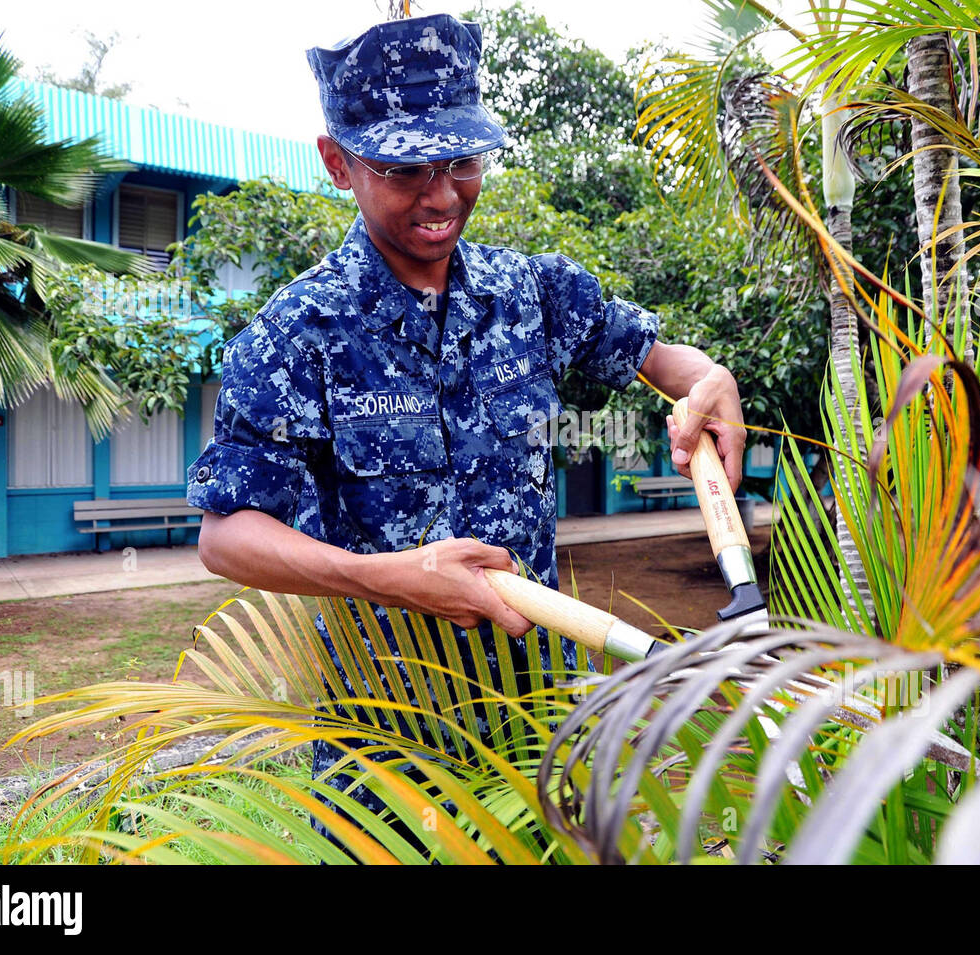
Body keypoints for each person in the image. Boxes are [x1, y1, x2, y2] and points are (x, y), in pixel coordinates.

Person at [186, 12, 746, 859]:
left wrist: (712, 384)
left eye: (460, 160)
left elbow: (670, 363)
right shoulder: (297, 331)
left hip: (543, 734)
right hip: (384, 766)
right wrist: (385, 578)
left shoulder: (536, 294)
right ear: (337, 162)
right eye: (405, 167)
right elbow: (225, 535)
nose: (442, 194)